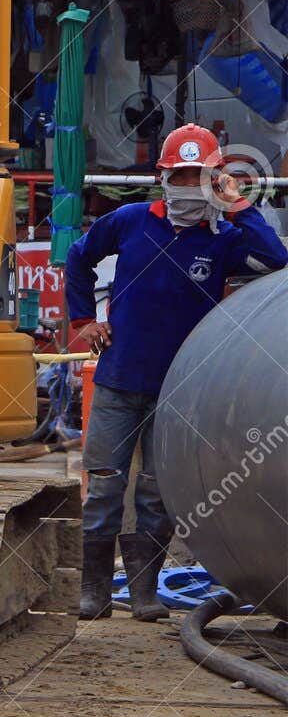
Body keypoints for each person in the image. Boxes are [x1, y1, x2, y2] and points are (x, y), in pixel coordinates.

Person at [65, 124, 286, 620]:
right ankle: (94, 590)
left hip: (179, 391)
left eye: (200, 176)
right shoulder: (129, 221)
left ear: (215, 180)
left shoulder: (225, 238)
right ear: (163, 177)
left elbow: (277, 259)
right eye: (180, 176)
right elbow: (78, 259)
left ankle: (144, 592)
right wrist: (83, 322)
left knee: (157, 491)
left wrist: (236, 204)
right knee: (103, 483)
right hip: (121, 381)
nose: (189, 186)